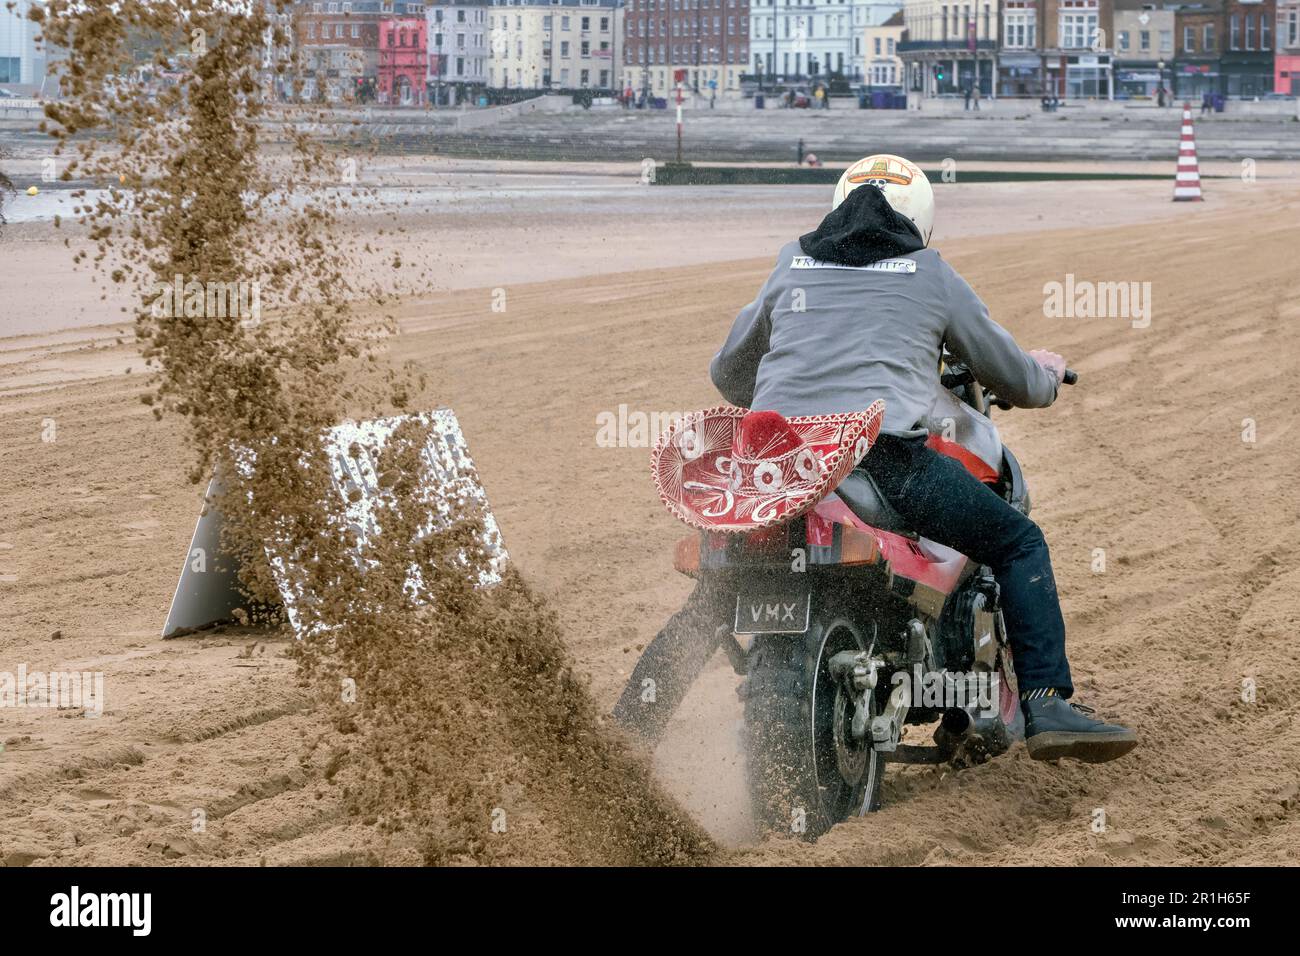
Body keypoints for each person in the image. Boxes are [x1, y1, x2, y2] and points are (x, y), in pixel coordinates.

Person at [613, 153, 1137, 764]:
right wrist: (1045, 374)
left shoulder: (792, 262)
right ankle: (1046, 702)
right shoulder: (929, 273)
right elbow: (1014, 377)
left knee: (714, 594)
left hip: (777, 464)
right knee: (1019, 543)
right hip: (882, 460)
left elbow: (729, 371)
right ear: (921, 220)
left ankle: (624, 735)